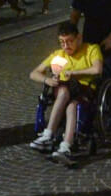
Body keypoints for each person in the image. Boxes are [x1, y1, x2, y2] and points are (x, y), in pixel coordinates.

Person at [28, 23, 103, 167]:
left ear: (78, 38)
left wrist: (74, 73)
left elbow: (97, 69)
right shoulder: (58, 56)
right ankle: (50, 136)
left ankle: (63, 144)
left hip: (85, 89)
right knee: (64, 92)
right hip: (63, 89)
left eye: (69, 41)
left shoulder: (91, 50)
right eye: (62, 42)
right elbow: (34, 73)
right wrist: (47, 80)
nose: (65, 46)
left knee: (73, 105)